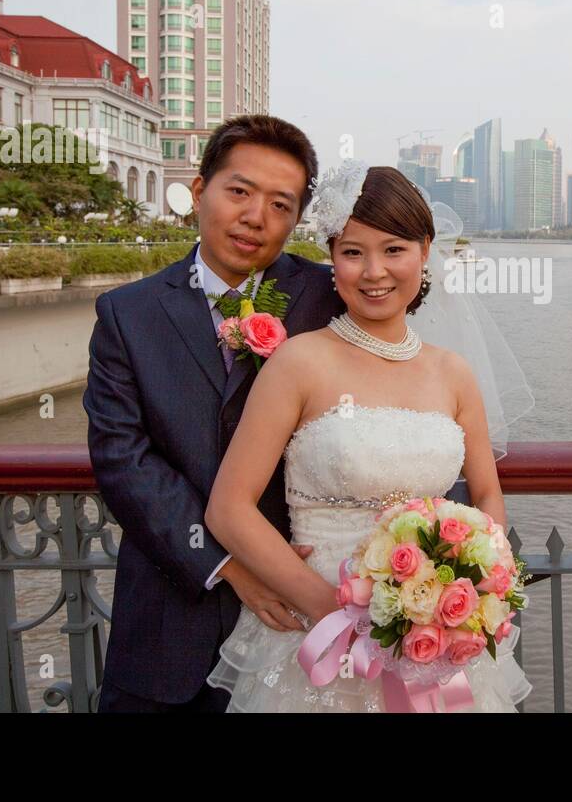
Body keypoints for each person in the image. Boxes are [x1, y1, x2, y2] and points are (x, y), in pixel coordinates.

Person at [203, 162, 533, 711]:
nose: (373, 271)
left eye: (394, 249)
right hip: (318, 633)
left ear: (425, 252)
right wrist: (339, 613)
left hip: (437, 639)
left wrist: (479, 582)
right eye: (353, 252)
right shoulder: (298, 362)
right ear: (332, 260)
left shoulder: (454, 373)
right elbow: (228, 508)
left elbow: (487, 494)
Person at [82, 115, 344, 712]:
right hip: (169, 622)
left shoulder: (332, 298)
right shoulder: (128, 314)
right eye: (239, 191)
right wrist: (227, 563)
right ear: (199, 192)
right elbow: (123, 458)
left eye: (281, 204)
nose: (256, 217)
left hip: (300, 627)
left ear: (297, 219)